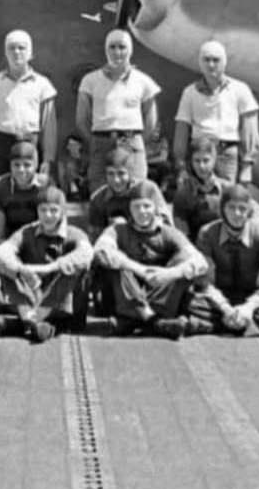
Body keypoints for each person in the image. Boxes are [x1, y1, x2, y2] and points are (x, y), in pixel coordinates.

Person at [92, 180, 208, 338]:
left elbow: (200, 262)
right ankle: (153, 322)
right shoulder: (118, 230)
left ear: (155, 208)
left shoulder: (168, 233)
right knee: (116, 261)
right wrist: (139, 270)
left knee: (183, 260)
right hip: (126, 295)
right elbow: (101, 249)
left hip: (159, 294)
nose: (142, 212)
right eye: (136, 207)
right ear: (129, 209)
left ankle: (132, 321)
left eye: (146, 206)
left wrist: (170, 274)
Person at [0, 185, 93, 342]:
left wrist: (48, 268)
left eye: (53, 210)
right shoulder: (26, 232)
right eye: (43, 210)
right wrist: (21, 270)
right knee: (6, 266)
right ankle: (31, 320)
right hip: (35, 293)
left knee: (74, 267)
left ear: (62, 212)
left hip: (65, 302)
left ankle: (27, 322)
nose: (48, 215)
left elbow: (87, 254)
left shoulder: (75, 234)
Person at [189, 184, 259, 337]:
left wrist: (248, 307)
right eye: (231, 208)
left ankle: (216, 325)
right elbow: (204, 283)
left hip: (252, 297)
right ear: (223, 209)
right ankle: (253, 325)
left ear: (249, 211)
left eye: (242, 209)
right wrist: (225, 308)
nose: (237, 214)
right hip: (219, 297)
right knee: (189, 301)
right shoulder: (207, 233)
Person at [76, 30, 161, 191]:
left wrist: (135, 142)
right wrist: (96, 143)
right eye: (112, 47)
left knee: (136, 192)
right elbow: (81, 120)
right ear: (106, 49)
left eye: (122, 47)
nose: (117, 52)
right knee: (100, 194)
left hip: (132, 145)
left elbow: (151, 121)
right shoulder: (90, 81)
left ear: (130, 49)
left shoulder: (144, 81)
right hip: (101, 144)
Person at [0, 30, 58, 185]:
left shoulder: (43, 85)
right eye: (11, 48)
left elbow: (49, 128)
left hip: (31, 145)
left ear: (30, 53)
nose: (16, 52)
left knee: (32, 196)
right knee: (0, 192)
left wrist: (48, 159)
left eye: (22, 48)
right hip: (2, 146)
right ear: (5, 52)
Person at [173, 40, 259, 183]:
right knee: (198, 200)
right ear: (200, 63)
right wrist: (181, 166)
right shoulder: (189, 92)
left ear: (224, 62)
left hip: (227, 153)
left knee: (227, 198)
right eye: (206, 60)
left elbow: (250, 129)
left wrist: (247, 165)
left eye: (216, 60)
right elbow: (182, 128)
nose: (211, 64)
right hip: (199, 153)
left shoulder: (240, 89)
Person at [86, 146, 170, 240]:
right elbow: (95, 239)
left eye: (121, 173)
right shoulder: (98, 200)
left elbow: (167, 229)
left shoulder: (148, 190)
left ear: (130, 173)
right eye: (111, 174)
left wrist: (141, 223)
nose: (116, 180)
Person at [0, 141, 45, 248]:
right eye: (16, 165)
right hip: (9, 243)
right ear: (10, 165)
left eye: (27, 165)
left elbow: (55, 224)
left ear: (36, 165)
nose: (21, 170)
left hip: (39, 241)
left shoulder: (46, 186)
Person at [172, 135, 230, 241]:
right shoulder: (184, 193)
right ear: (191, 162)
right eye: (197, 161)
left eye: (206, 160)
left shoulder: (226, 188)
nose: (202, 166)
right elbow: (182, 235)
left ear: (214, 160)